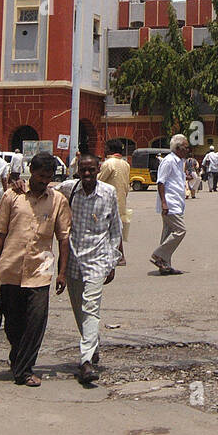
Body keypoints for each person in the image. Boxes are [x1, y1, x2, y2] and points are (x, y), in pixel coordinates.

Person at [0, 152, 72, 387]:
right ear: (31, 172)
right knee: (13, 324)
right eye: (41, 176)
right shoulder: (12, 196)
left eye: (48, 177)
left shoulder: (57, 201)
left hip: (40, 270)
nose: (44, 181)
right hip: (11, 269)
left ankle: (24, 370)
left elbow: (64, 238)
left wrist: (62, 272)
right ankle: (18, 359)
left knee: (36, 322)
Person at [57, 155, 121, 384]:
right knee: (79, 311)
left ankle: (86, 361)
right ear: (78, 171)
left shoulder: (108, 193)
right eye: (83, 171)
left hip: (98, 260)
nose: (87, 175)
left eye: (91, 171)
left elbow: (115, 228)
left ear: (98, 170)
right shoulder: (68, 189)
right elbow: (44, 191)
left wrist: (113, 260)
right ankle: (92, 345)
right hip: (74, 260)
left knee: (91, 308)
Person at [151, 134, 189, 275]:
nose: (188, 150)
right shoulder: (168, 161)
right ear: (178, 148)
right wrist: (164, 203)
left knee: (167, 233)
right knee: (180, 230)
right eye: (186, 147)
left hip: (177, 202)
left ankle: (165, 265)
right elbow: (161, 182)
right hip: (169, 203)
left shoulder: (179, 161)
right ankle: (159, 255)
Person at [98, 143, 132, 265]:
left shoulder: (108, 163)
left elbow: (99, 180)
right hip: (121, 199)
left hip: (107, 201)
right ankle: (118, 255)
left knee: (108, 229)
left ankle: (119, 256)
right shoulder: (126, 164)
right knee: (116, 229)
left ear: (111, 150)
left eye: (106, 148)